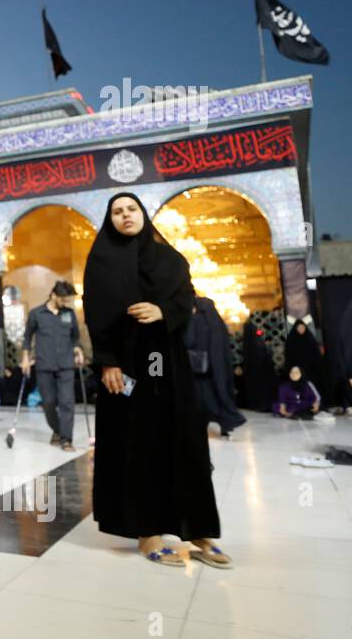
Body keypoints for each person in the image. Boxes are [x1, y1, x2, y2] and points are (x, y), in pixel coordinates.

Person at [84, 192, 228, 569]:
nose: (125, 216)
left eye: (131, 209)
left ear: (144, 214)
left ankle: (196, 528)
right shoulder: (102, 261)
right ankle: (147, 532)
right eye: (117, 211)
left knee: (184, 440)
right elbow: (96, 315)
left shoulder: (170, 259)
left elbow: (187, 300)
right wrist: (108, 364)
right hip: (129, 365)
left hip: (166, 361)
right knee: (140, 443)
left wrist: (162, 310)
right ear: (109, 218)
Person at [21, 280, 85, 451]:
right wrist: (26, 358)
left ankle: (66, 439)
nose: (66, 303)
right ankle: (57, 430)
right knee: (48, 402)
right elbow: (27, 337)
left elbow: (75, 338)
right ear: (54, 295)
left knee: (67, 402)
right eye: (64, 300)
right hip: (44, 365)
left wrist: (78, 350)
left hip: (66, 365)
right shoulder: (36, 314)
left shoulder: (69, 314)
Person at [184, 296, 246, 438]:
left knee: (202, 401)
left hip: (201, 370)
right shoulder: (218, 322)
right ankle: (226, 425)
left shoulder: (196, 320)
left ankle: (201, 426)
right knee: (220, 396)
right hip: (219, 370)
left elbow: (189, 341)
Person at [240, 325, 277, 412]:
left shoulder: (251, 342)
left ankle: (259, 404)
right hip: (263, 372)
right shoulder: (257, 340)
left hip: (258, 372)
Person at [284, 320, 325, 398]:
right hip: (297, 369)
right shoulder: (291, 340)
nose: (301, 329)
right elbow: (289, 356)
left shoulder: (310, 339)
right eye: (299, 328)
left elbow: (316, 354)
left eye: (302, 327)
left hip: (311, 370)